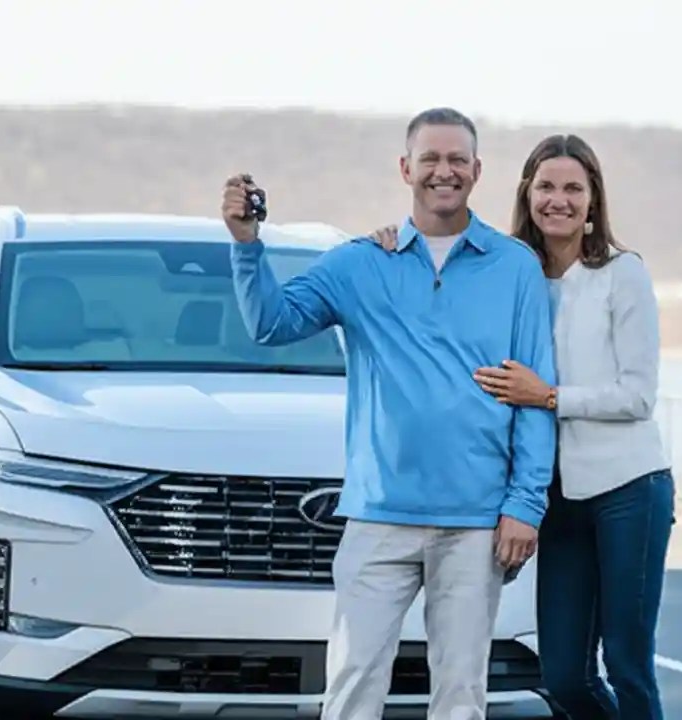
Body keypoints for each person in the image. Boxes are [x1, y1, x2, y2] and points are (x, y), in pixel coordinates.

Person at [219, 107, 558, 720]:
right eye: (430, 158)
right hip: (379, 516)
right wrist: (248, 246)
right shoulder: (359, 263)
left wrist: (524, 503)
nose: (443, 171)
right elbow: (272, 323)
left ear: (477, 171)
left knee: (461, 696)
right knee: (352, 689)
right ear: (406, 168)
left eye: (457, 159)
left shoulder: (516, 269)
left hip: (477, 522)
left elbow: (536, 394)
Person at [364, 133, 675, 719]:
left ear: (593, 201)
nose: (558, 200)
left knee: (629, 665)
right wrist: (388, 246)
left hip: (629, 491)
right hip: (556, 497)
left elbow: (638, 396)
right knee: (563, 676)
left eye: (573, 189)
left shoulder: (621, 275)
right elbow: (435, 271)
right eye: (546, 186)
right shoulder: (509, 270)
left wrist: (549, 396)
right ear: (527, 194)